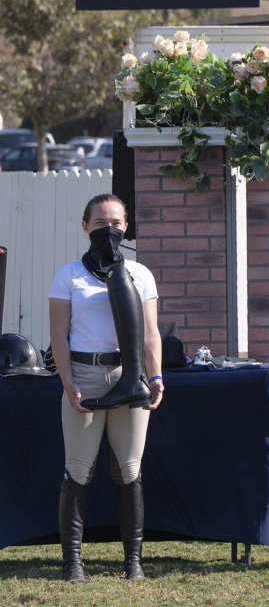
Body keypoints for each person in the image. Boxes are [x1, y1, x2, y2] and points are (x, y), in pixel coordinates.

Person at [48, 193, 163, 583]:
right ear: (85, 226)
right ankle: (72, 562)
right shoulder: (68, 276)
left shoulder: (140, 274)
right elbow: (59, 334)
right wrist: (67, 381)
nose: (109, 230)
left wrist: (155, 376)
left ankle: (133, 561)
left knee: (130, 469)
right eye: (100, 223)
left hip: (128, 374)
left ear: (126, 226)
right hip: (85, 375)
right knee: (78, 470)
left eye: (116, 223)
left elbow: (150, 333)